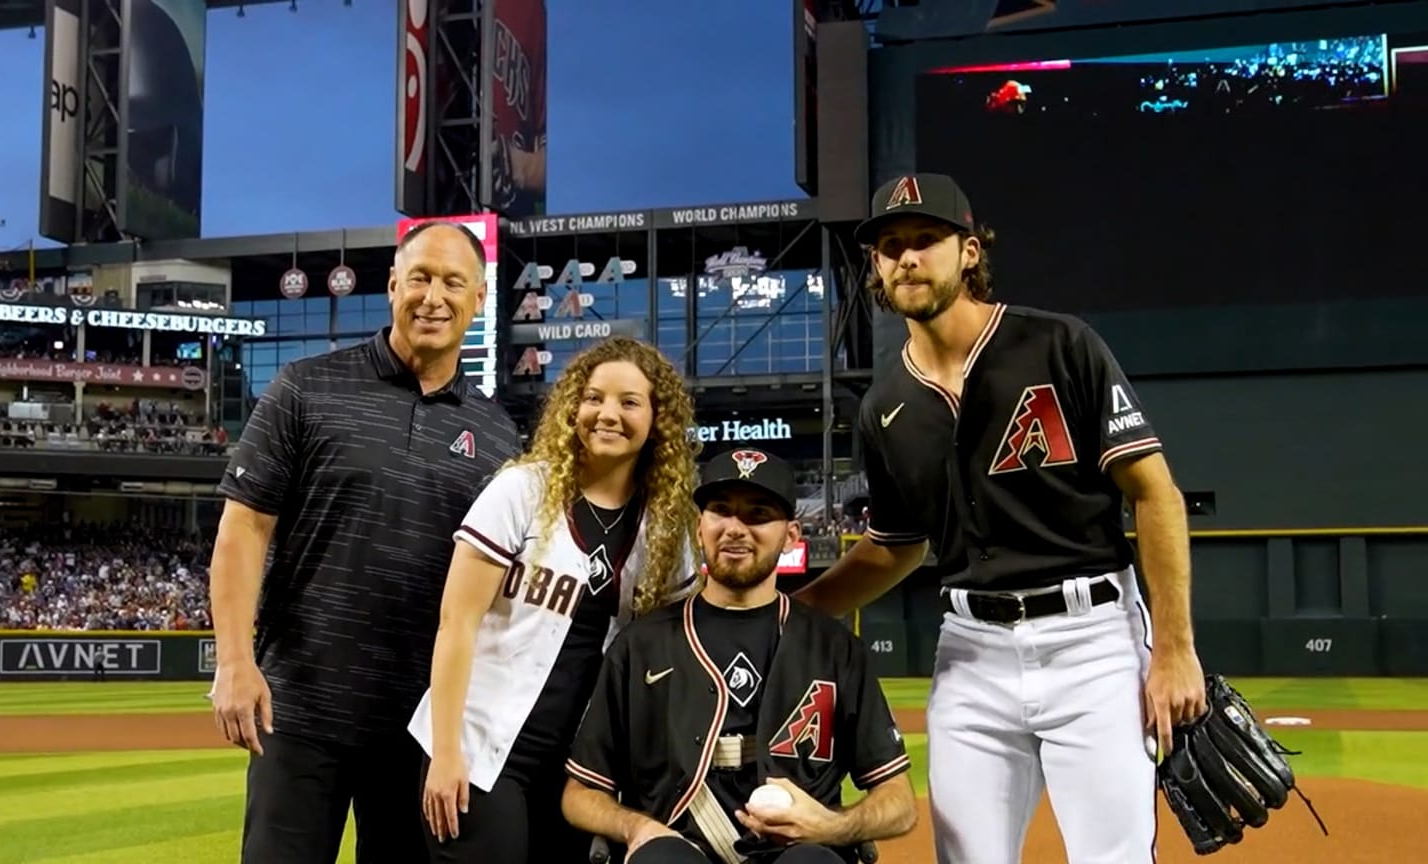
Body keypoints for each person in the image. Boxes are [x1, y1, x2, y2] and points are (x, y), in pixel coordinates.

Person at [794, 173, 1207, 863]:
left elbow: (1155, 493)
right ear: (875, 266)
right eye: (890, 246)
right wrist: (794, 610)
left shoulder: (1059, 344)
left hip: (1092, 639)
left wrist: (1174, 649)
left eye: (926, 239)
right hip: (971, 652)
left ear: (970, 252)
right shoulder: (885, 406)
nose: (906, 258)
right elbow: (895, 546)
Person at [209, 220, 523, 864]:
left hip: (418, 727)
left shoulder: (496, 434)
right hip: (299, 710)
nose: (434, 297)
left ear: (479, 298)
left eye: (453, 283)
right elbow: (244, 527)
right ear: (392, 286)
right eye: (420, 278)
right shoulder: (306, 386)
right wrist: (234, 660)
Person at [413, 336, 703, 864]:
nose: (607, 414)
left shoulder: (667, 529)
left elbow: (670, 653)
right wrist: (446, 752)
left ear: (657, 419)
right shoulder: (522, 490)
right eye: (593, 398)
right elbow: (456, 622)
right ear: (573, 408)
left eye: (629, 402)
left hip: (580, 772)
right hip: (481, 749)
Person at [562, 447, 918, 864]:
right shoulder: (640, 645)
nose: (735, 528)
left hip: (794, 853)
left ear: (791, 536)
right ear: (699, 527)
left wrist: (832, 826)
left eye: (758, 515)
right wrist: (635, 828)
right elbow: (580, 793)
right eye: (721, 511)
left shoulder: (835, 648)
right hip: (679, 847)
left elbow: (900, 803)